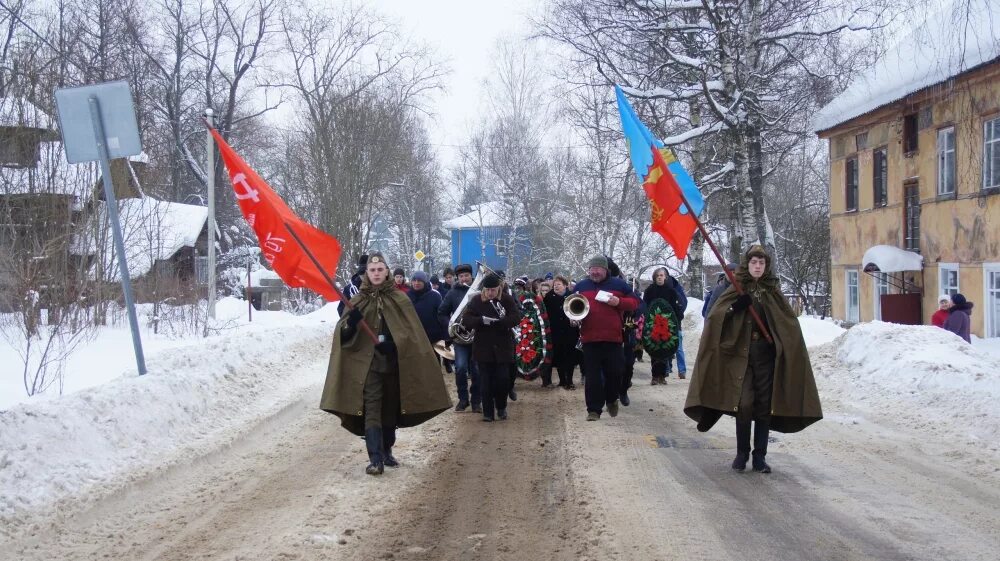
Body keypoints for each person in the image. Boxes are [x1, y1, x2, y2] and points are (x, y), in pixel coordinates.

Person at [684, 245, 822, 474]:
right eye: (754, 262)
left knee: (764, 408)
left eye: (762, 263)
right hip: (741, 357)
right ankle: (741, 454)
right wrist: (736, 307)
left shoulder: (771, 290)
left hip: (766, 357)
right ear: (747, 265)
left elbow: (788, 323)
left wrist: (777, 339)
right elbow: (715, 317)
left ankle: (760, 457)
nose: (758, 266)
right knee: (745, 404)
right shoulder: (736, 287)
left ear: (766, 266)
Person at [321, 253, 451, 475]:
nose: (376, 273)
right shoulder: (357, 301)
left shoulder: (400, 299)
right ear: (367, 274)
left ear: (387, 271)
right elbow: (342, 337)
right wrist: (351, 325)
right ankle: (375, 458)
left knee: (390, 408)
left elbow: (412, 333)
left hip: (394, 363)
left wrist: (393, 344)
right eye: (372, 270)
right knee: (372, 406)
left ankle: (387, 449)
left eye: (380, 269)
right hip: (368, 366)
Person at [574, 255, 640, 421]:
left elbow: (634, 303)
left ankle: (611, 399)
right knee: (592, 377)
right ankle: (594, 410)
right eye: (592, 269)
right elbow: (571, 305)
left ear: (606, 270)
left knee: (615, 373)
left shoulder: (619, 285)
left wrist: (618, 302)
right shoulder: (581, 286)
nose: (595, 272)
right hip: (589, 338)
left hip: (613, 338)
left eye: (598, 269)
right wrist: (573, 317)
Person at [461, 273, 520, 421]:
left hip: (503, 346)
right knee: (485, 382)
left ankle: (501, 407)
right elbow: (466, 319)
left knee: (503, 380)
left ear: (498, 288)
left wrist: (503, 322)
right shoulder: (476, 300)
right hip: (483, 347)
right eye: (487, 290)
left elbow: (516, 317)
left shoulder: (506, 299)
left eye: (493, 290)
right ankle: (488, 413)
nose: (490, 293)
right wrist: (480, 320)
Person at [437, 263, 481, 413]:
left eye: (466, 276)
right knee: (461, 368)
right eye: (461, 276)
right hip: (460, 338)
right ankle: (463, 399)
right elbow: (441, 312)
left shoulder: (478, 290)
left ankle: (476, 401)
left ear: (471, 276)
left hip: (477, 337)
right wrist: (450, 325)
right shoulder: (452, 293)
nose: (464, 278)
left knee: (476, 370)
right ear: (457, 277)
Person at [643, 267, 684, 385]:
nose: (660, 277)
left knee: (665, 349)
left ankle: (663, 376)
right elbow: (645, 306)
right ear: (655, 277)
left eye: (662, 275)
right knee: (654, 349)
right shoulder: (649, 290)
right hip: (653, 324)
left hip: (668, 325)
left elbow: (676, 308)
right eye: (658, 275)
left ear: (666, 277)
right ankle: (655, 376)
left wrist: (676, 320)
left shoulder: (671, 291)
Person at [544, 275, 580, 390]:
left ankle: (569, 381)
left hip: (570, 330)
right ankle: (562, 380)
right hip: (555, 331)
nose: (556, 286)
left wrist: (575, 319)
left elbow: (578, 311)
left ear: (565, 285)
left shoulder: (572, 296)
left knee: (570, 355)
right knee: (558, 355)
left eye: (559, 284)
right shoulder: (549, 297)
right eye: (555, 284)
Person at [408, 271, 446, 344]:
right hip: (413, 338)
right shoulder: (407, 296)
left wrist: (445, 335)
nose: (416, 283)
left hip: (433, 338)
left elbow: (442, 316)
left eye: (419, 280)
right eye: (414, 280)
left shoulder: (435, 296)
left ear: (425, 282)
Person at [664, 270, 688, 378]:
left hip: (676, 323)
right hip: (663, 323)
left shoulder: (676, 291)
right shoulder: (660, 289)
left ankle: (681, 370)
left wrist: (678, 314)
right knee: (665, 346)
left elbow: (683, 304)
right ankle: (667, 368)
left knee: (678, 348)